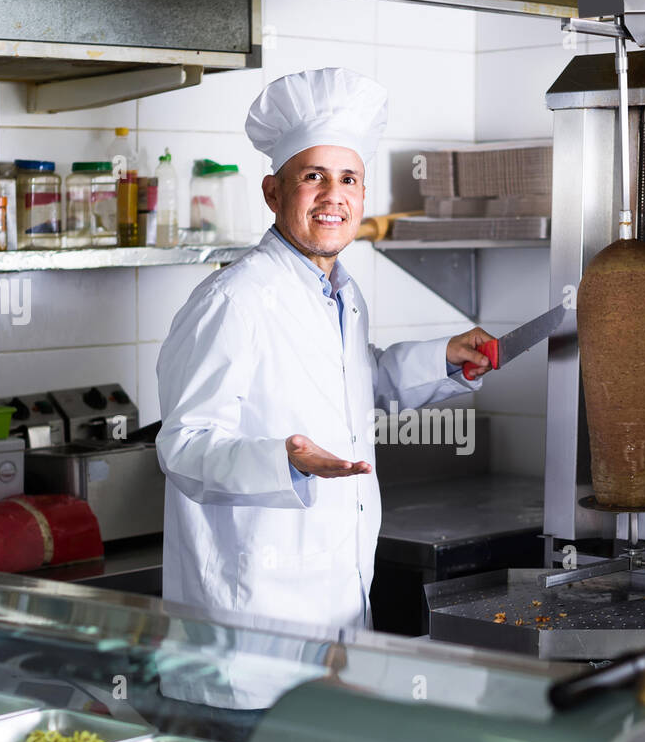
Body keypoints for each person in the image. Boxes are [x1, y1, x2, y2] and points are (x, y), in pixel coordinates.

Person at [157, 67, 495, 630]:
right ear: (273, 192)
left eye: (349, 179)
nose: (333, 196)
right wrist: (281, 459)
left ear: (363, 194)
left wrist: (443, 360)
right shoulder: (233, 299)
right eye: (314, 176)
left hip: (337, 600)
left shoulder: (338, 292)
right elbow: (184, 445)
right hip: (251, 616)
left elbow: (358, 381)